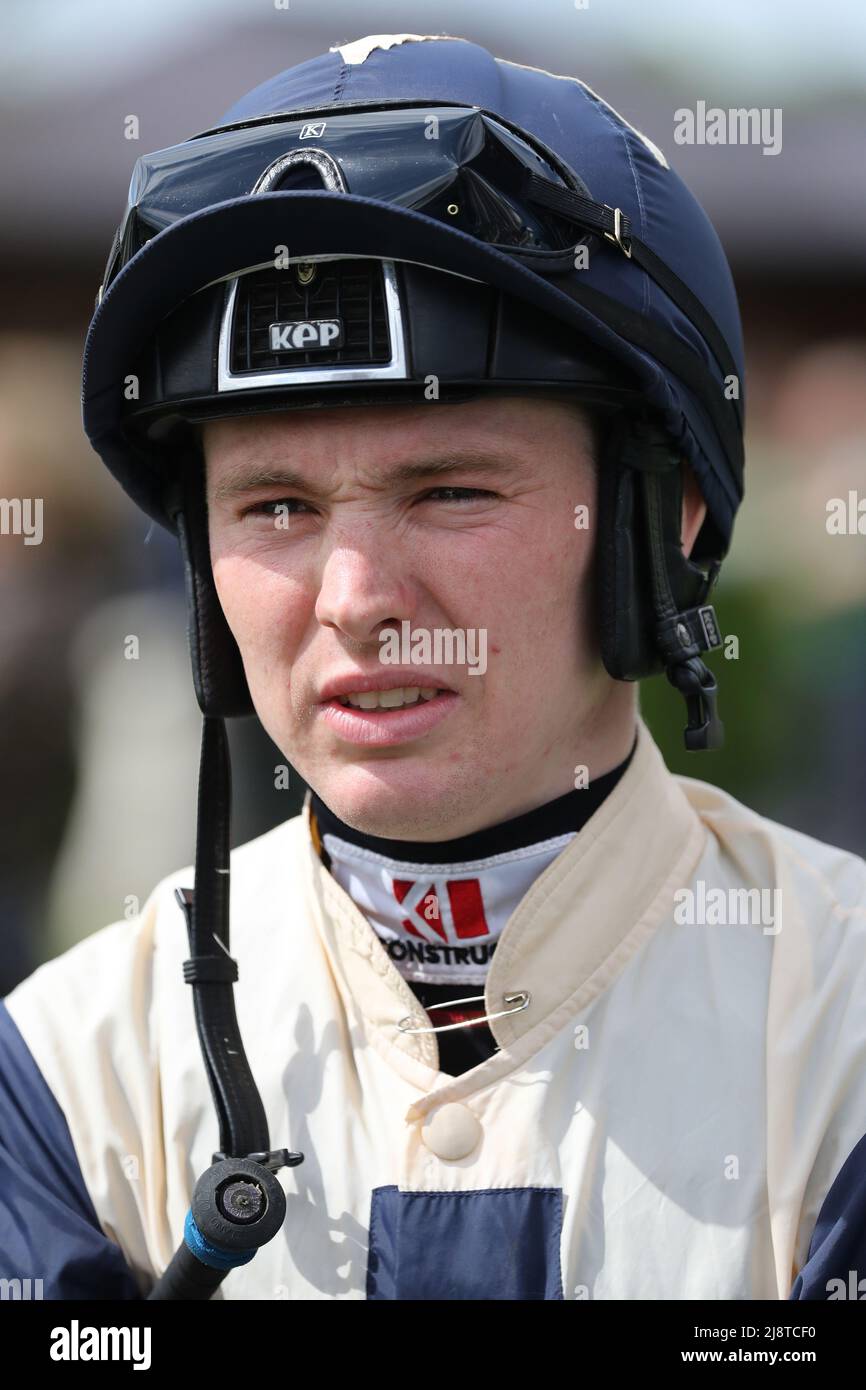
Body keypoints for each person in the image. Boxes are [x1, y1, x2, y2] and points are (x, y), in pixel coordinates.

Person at [2, 32, 865, 1302]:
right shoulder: (65, 1068)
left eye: (450, 490)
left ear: (663, 510)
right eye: (276, 508)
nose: (355, 600)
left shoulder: (838, 1034)